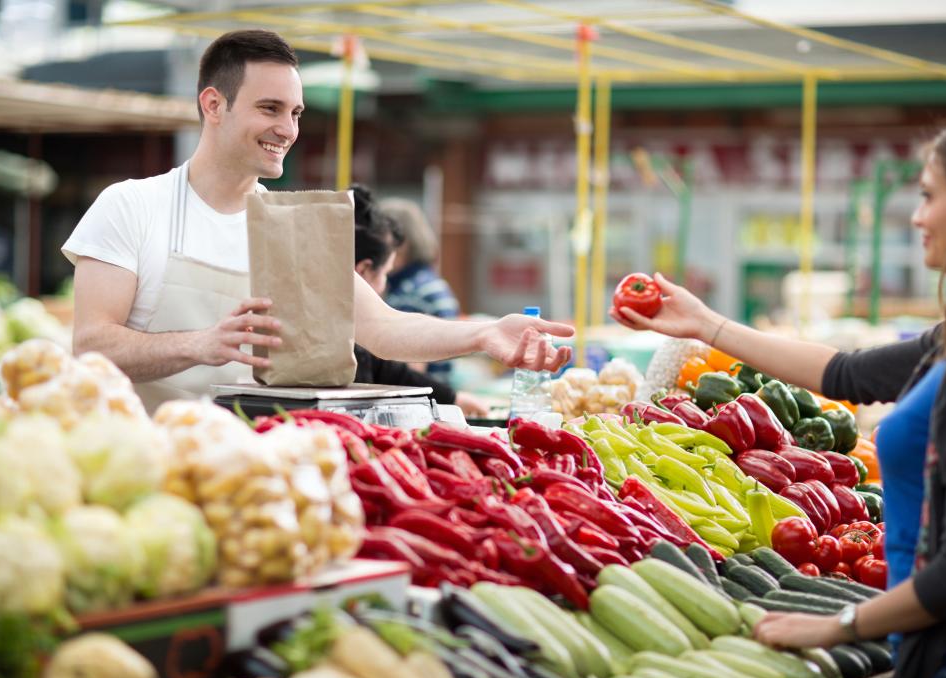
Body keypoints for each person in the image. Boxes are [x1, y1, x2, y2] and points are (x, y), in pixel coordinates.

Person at [611, 116, 946, 678]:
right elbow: (845, 374)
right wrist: (705, 325)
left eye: (929, 196)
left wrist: (837, 626)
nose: (916, 216)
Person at [61, 29, 571, 412]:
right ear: (214, 105)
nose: (287, 129)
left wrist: (484, 334)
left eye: (296, 113)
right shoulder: (131, 206)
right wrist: (200, 344)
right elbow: (91, 344)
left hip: (249, 471)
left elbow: (383, 327)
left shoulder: (292, 225)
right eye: (270, 108)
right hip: (145, 462)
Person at [350, 184, 490, 418]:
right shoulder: (421, 286)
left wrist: (451, 397)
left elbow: (390, 368)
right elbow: (392, 362)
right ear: (363, 270)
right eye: (385, 273)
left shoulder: (409, 291)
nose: (384, 284)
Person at [381, 197, 461, 383]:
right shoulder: (430, 282)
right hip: (439, 387)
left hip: (422, 391)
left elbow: (407, 367)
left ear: (399, 244)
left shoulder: (409, 294)